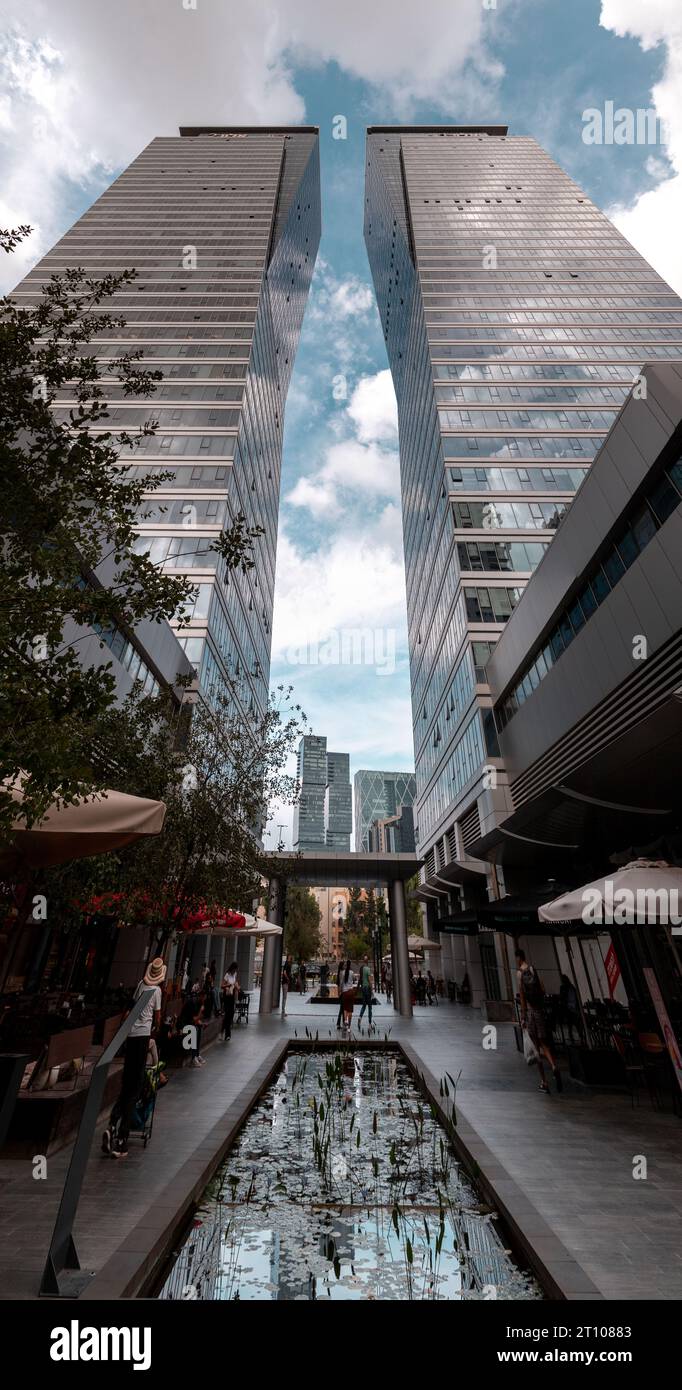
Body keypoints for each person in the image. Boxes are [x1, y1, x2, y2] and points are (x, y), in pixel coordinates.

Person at [102, 957, 165, 1158]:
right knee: (135, 1088)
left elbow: (129, 1009)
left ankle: (112, 1124)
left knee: (126, 1083)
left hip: (129, 1036)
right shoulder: (157, 991)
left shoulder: (140, 985)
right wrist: (156, 1028)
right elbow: (157, 1018)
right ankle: (122, 1140)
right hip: (142, 1039)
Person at [516, 948, 562, 1094]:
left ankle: (544, 1082)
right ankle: (554, 1066)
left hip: (530, 1013)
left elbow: (522, 997)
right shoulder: (533, 969)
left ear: (519, 958)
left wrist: (523, 1017)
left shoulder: (519, 974)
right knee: (544, 1043)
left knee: (536, 1049)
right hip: (539, 1011)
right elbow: (542, 989)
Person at [559, 973, 581, 1042]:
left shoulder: (568, 987)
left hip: (570, 1008)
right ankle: (577, 1036)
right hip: (570, 1008)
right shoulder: (567, 987)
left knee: (573, 1023)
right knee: (572, 1023)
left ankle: (578, 1036)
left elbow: (572, 998)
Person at [221, 960, 239, 1040]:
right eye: (235, 969)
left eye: (236, 969)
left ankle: (222, 1030)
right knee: (228, 1014)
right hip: (226, 996)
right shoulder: (227, 975)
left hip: (232, 996)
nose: (235, 971)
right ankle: (227, 1034)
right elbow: (222, 985)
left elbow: (235, 983)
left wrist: (237, 986)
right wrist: (228, 984)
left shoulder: (235, 974)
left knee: (231, 1014)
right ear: (232, 968)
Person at [358, 957, 374, 1029]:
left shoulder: (362, 969)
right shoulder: (368, 969)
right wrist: (372, 990)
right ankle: (370, 1024)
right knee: (370, 1007)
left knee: (364, 1005)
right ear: (367, 962)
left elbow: (361, 979)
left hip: (363, 988)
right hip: (367, 988)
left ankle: (360, 1017)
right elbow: (370, 980)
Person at [340, 959, 356, 1029]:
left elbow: (341, 983)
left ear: (346, 965)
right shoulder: (352, 972)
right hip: (351, 992)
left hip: (344, 992)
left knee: (345, 1009)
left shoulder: (343, 973)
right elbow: (354, 980)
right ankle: (349, 1027)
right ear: (350, 965)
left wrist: (340, 991)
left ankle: (345, 1020)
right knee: (350, 1010)